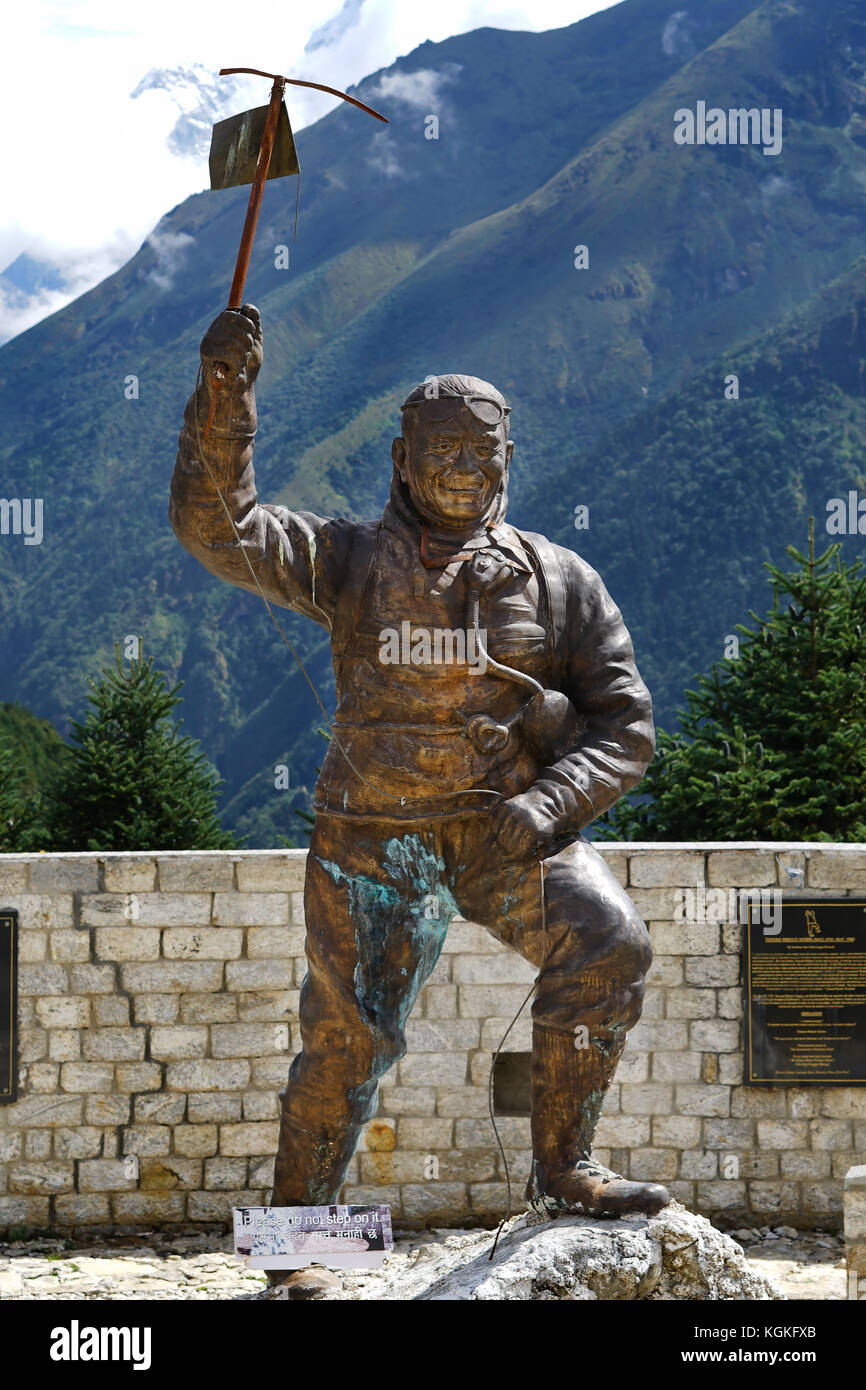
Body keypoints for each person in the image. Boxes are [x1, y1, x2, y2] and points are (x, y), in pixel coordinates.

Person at [170, 305, 669, 1296]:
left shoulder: (560, 579)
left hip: (505, 834)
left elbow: (627, 726)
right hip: (371, 839)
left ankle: (563, 1169)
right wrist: (225, 400)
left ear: (508, 458)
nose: (459, 468)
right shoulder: (344, 559)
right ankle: (295, 1254)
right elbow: (216, 528)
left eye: (478, 451)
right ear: (400, 458)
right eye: (439, 450)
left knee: (610, 945)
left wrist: (549, 801)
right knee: (351, 1037)